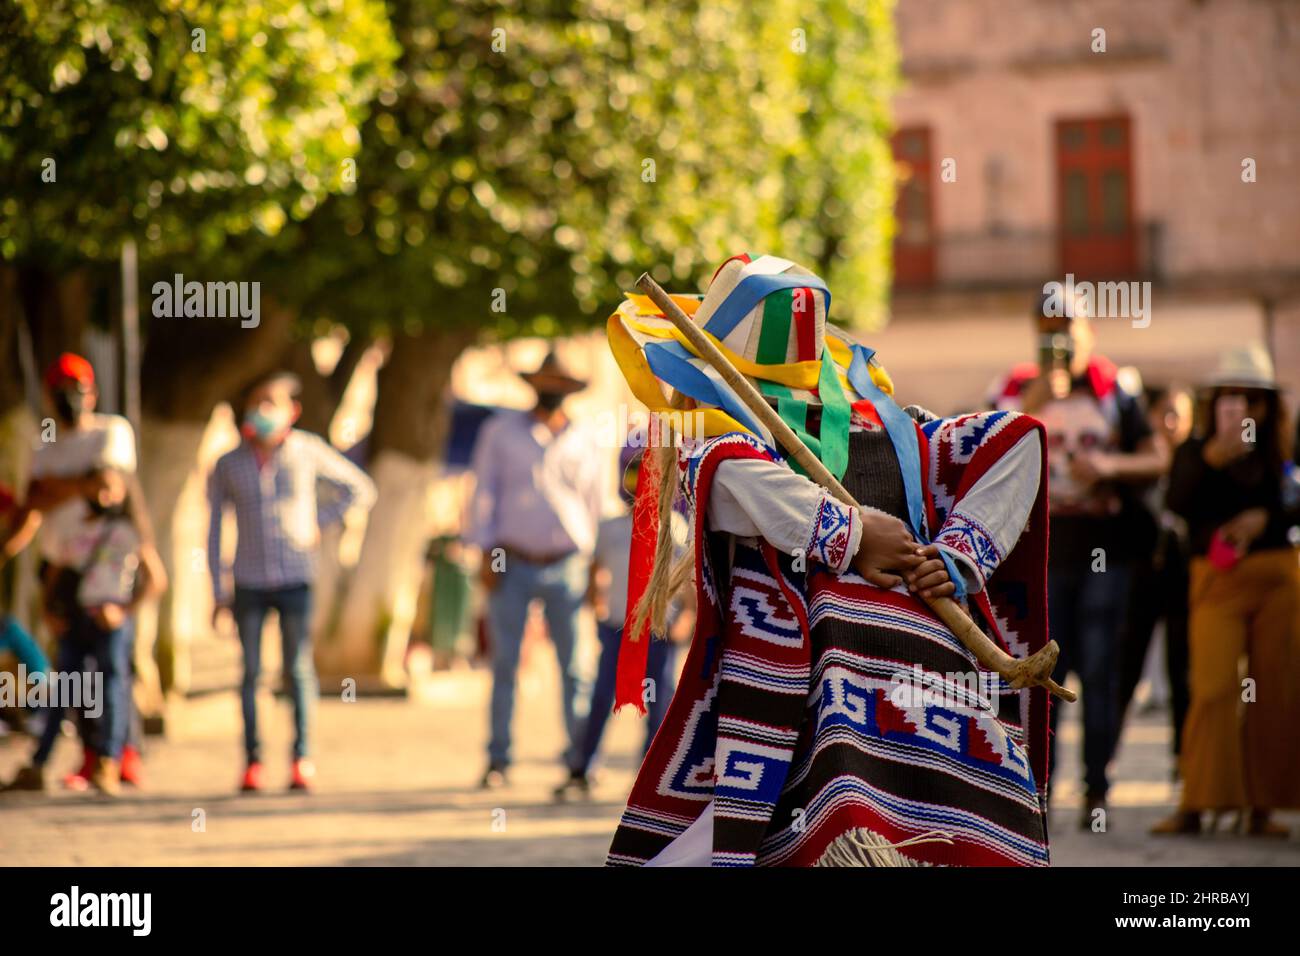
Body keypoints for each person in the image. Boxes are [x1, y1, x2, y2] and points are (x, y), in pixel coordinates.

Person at [605, 254, 1054, 866]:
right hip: (924, 665)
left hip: (811, 670)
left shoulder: (741, 443)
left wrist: (952, 556)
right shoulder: (899, 435)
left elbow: (1017, 437)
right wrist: (865, 534)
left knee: (737, 842)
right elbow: (1018, 438)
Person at [990, 292, 1168, 827]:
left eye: (1066, 325)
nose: (1059, 338)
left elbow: (1156, 456)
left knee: (1099, 668)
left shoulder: (1116, 391)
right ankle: (1037, 793)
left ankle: (1096, 791)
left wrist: (1107, 465)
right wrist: (1032, 402)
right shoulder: (1013, 388)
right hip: (1039, 556)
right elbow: (982, 449)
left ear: (1088, 329)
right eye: (1047, 327)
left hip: (1105, 553)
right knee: (1043, 674)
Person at [1152, 344, 1299, 837]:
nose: (1239, 408)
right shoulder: (1197, 451)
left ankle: (1263, 807)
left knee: (1271, 692)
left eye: (1250, 398)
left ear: (1265, 405)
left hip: (1277, 576)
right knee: (1212, 688)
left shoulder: (1285, 450)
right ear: (1214, 403)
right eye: (1228, 397)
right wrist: (1213, 458)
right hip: (1217, 580)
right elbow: (1175, 503)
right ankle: (1198, 803)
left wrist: (1266, 519)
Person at [208, 371, 376, 793]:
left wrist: (317, 524)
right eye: (257, 401)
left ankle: (302, 758)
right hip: (247, 580)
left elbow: (360, 489)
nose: (263, 410)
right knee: (250, 674)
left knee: (298, 669)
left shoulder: (307, 451)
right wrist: (217, 588)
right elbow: (212, 529)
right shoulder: (229, 464)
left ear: (291, 411)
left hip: (295, 577)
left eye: (272, 402)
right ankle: (252, 762)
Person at [0, 354, 161, 793]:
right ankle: (69, 758)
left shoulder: (112, 431)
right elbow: (33, 507)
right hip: (63, 574)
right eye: (61, 389)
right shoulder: (45, 444)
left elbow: (102, 485)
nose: (70, 398)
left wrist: (56, 489)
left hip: (110, 577)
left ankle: (114, 756)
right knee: (70, 676)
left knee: (112, 673)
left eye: (78, 387)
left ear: (91, 391)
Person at [464, 349, 606, 790]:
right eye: (546, 383)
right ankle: (498, 759)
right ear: (534, 386)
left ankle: (578, 759)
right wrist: (484, 552)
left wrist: (597, 570)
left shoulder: (587, 439)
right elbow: (482, 494)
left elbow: (596, 507)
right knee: (505, 663)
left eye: (560, 385)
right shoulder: (500, 433)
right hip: (511, 561)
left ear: (570, 391)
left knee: (575, 668)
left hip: (568, 563)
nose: (552, 392)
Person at [556, 442, 691, 800]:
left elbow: (686, 578)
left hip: (660, 631)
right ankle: (581, 768)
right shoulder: (611, 527)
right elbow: (595, 569)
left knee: (660, 702)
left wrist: (687, 617)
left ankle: (649, 775)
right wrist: (595, 604)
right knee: (602, 698)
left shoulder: (674, 528)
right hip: (617, 628)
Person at [1114, 385, 1193, 764]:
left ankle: (1184, 766)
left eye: (1178, 413)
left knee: (1184, 676)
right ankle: (1104, 767)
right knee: (1124, 671)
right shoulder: (1138, 471)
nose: (1170, 422)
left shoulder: (1196, 467)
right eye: (1163, 413)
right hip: (1140, 582)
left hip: (1185, 586)